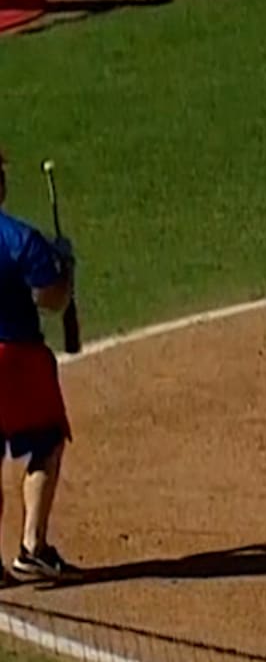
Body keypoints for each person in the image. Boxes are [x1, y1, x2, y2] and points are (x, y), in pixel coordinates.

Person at [0, 149, 79, 581]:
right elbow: (51, 299)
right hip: (15, 357)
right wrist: (64, 267)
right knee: (47, 439)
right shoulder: (19, 239)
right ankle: (33, 546)